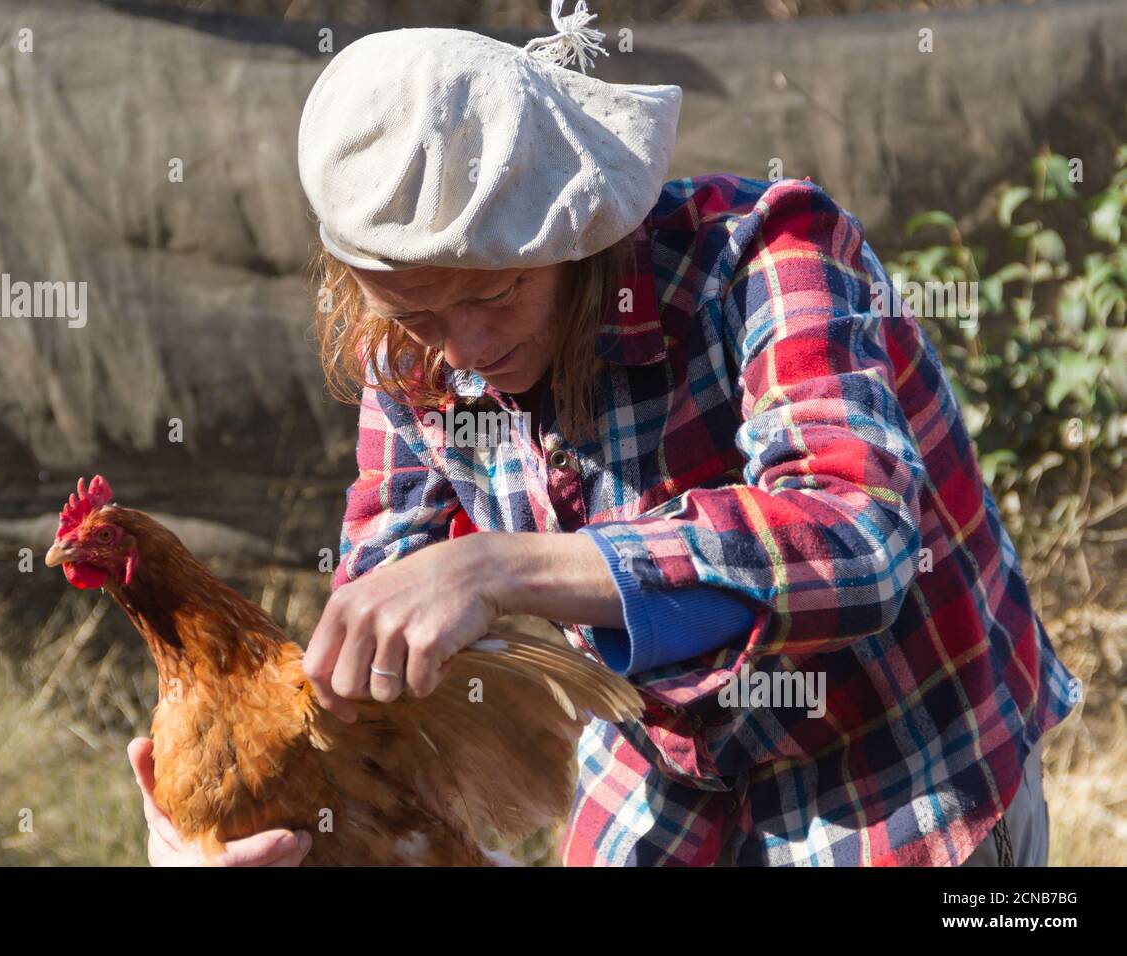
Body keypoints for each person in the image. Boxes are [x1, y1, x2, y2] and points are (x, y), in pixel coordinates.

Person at [130, 3, 1079, 867]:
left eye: (496, 293)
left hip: (898, 759)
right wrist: (236, 811)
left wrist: (497, 568)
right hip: (666, 776)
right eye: (419, 316)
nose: (465, 348)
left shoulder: (762, 257)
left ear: (575, 232)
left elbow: (857, 539)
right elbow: (379, 630)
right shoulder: (410, 355)